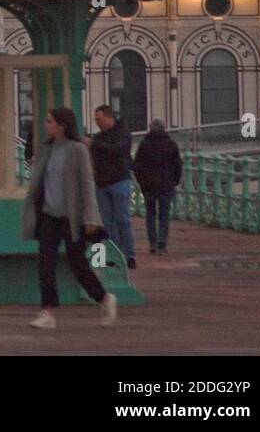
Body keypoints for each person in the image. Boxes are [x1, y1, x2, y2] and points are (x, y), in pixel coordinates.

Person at [22, 106, 117, 329]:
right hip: (49, 215)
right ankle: (47, 312)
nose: (46, 125)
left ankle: (104, 298)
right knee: (45, 263)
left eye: (49, 121)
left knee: (78, 264)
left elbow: (86, 184)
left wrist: (91, 218)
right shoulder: (47, 149)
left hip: (71, 217)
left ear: (62, 125)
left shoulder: (77, 150)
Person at [88, 104, 137, 269]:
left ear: (110, 117)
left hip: (119, 180)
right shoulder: (99, 137)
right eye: (96, 120)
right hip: (102, 182)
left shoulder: (122, 134)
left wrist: (94, 144)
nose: (98, 123)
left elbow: (118, 150)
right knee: (108, 222)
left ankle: (129, 255)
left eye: (99, 119)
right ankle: (114, 253)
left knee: (123, 219)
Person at [132, 118, 182, 255]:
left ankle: (152, 242)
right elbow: (177, 165)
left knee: (150, 213)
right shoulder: (171, 144)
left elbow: (137, 165)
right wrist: (175, 180)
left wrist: (141, 181)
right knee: (164, 214)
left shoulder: (144, 144)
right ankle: (162, 243)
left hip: (148, 185)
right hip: (166, 184)